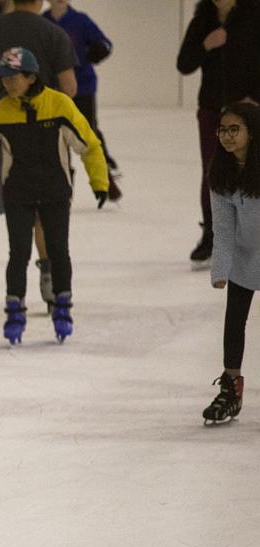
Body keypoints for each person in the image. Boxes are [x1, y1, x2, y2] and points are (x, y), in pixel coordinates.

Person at [0, 47, 108, 344]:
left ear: (31, 77)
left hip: (55, 192)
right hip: (18, 193)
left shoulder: (59, 105)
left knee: (58, 250)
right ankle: (15, 308)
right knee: (18, 253)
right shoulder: (1, 111)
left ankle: (62, 306)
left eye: (12, 77)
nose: (7, 83)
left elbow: (89, 144)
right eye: (3, 78)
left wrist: (100, 181)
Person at [0, 0, 78, 309]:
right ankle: (51, 285)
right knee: (42, 211)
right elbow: (69, 87)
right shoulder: (54, 34)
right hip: (43, 137)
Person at [178, 0, 260, 270]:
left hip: (247, 110)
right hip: (212, 109)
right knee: (213, 172)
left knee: (250, 171)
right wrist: (206, 45)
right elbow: (184, 64)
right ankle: (212, 233)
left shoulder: (253, 16)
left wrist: (254, 98)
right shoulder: (202, 20)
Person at [203, 102, 260, 424]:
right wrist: (220, 269)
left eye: (234, 129)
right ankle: (231, 387)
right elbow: (222, 227)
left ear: (252, 133)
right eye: (222, 129)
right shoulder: (222, 174)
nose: (226, 136)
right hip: (245, 255)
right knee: (234, 321)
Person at [43, 0, 121, 201]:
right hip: (53, 90)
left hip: (82, 87)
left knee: (88, 132)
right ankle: (64, 181)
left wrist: (95, 52)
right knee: (56, 136)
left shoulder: (80, 20)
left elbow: (105, 43)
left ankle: (105, 177)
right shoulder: (43, 21)